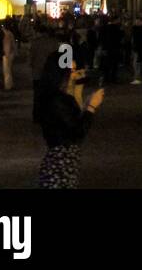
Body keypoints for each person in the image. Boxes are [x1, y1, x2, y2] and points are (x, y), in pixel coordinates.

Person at [37, 51, 105, 188]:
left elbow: (72, 123)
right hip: (60, 164)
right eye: (72, 71)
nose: (75, 75)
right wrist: (91, 107)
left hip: (64, 162)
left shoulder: (56, 97)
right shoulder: (57, 100)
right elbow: (78, 132)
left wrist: (84, 104)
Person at [131, 14, 142, 84]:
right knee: (138, 64)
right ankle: (140, 78)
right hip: (137, 49)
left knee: (139, 64)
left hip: (140, 49)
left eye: (138, 21)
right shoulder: (136, 29)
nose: (136, 22)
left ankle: (139, 78)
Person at [1, 22, 17, 91]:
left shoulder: (6, 35)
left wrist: (6, 54)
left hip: (8, 54)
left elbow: (7, 46)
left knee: (7, 71)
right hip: (11, 53)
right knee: (9, 70)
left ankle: (8, 86)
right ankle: (10, 84)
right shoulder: (10, 33)